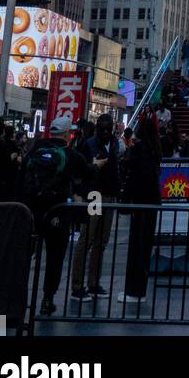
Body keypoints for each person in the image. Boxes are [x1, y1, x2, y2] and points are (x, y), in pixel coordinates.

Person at [19, 114, 92, 316]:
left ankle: (18, 299)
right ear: (68, 134)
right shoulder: (70, 154)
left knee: (25, 256)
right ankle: (47, 299)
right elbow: (88, 172)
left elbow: (22, 172)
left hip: (31, 211)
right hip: (57, 212)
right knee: (55, 257)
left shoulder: (36, 148)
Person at [71, 113, 120, 303]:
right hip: (94, 194)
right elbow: (80, 170)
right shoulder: (89, 144)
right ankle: (77, 285)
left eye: (109, 128)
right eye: (103, 128)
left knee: (101, 240)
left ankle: (93, 282)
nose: (106, 132)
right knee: (87, 238)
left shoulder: (114, 143)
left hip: (108, 194)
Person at [118, 115, 161, 305]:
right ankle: (139, 289)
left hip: (140, 203)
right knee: (145, 247)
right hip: (152, 202)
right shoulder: (155, 149)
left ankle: (134, 291)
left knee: (136, 247)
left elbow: (131, 176)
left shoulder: (138, 151)